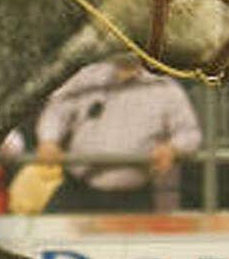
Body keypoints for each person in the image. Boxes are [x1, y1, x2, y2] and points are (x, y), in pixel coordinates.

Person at [35, 55, 202, 213]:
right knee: (47, 238)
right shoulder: (85, 77)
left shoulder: (166, 88)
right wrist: (49, 140)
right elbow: (55, 112)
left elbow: (190, 133)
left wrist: (172, 148)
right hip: (77, 193)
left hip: (133, 199)